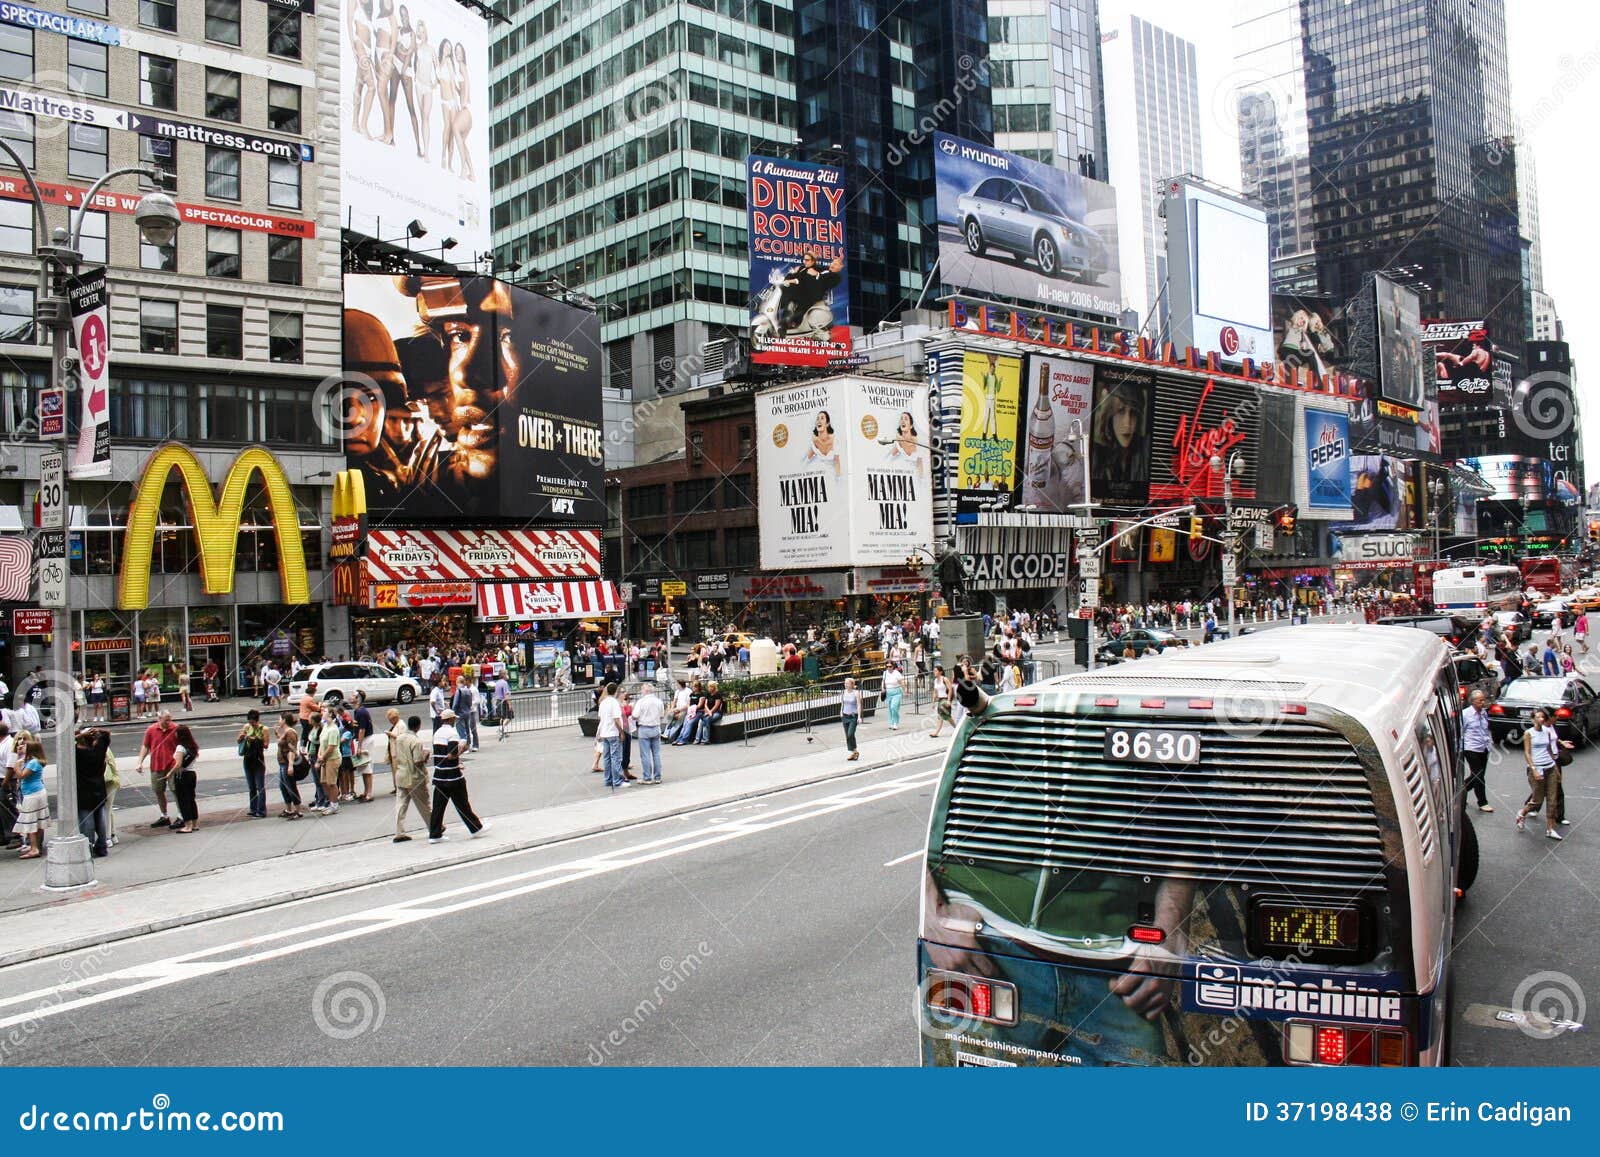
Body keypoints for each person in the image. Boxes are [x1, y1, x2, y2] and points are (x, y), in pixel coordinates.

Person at [428, 707, 484, 840]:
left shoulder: (437, 733)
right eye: (454, 718)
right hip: (453, 776)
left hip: (439, 775)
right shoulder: (453, 733)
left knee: (438, 806)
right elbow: (451, 755)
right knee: (462, 804)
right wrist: (462, 749)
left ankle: (434, 834)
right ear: (451, 719)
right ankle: (475, 828)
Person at [1516, 708, 1572, 840]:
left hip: (1550, 767)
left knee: (1552, 800)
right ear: (1533, 719)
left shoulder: (1547, 731)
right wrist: (1534, 769)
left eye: (1543, 717)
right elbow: (1527, 753)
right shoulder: (1528, 733)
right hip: (1537, 768)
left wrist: (1556, 768)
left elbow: (1549, 749)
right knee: (1537, 800)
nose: (1541, 719)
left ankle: (1550, 829)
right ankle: (1522, 813)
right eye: (1538, 717)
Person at [135, 710, 180, 828]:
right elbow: (145, 746)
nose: (169, 722)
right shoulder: (151, 730)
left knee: (176, 790)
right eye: (166, 720)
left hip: (173, 765)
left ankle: (181, 816)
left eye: (170, 719)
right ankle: (164, 816)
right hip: (157, 765)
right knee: (158, 791)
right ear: (159, 719)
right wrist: (140, 762)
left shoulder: (176, 728)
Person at [392, 715, 431, 842]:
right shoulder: (416, 741)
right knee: (424, 804)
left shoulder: (399, 738)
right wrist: (425, 756)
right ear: (418, 726)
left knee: (401, 804)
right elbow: (418, 761)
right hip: (414, 776)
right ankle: (434, 826)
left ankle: (399, 831)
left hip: (401, 773)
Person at [75, 728, 111, 858]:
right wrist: (97, 730)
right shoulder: (99, 751)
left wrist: (81, 735)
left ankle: (88, 846)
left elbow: (68, 744)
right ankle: (102, 846)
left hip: (83, 790)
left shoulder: (77, 753)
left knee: (86, 821)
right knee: (100, 818)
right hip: (99, 788)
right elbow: (106, 734)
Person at [1460, 690, 1495, 813]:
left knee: (1478, 775)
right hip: (1471, 748)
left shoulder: (1484, 713)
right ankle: (1482, 802)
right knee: (1478, 775)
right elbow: (1461, 731)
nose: (1483, 702)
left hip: (1483, 747)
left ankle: (1460, 792)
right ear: (1473, 701)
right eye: (1480, 700)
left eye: (1483, 700)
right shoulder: (1465, 714)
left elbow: (1485, 729)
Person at [14, 737, 48, 859]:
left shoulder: (33, 762)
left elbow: (21, 775)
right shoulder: (32, 761)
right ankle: (36, 846)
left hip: (33, 794)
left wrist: (16, 765)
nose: (23, 748)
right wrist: (20, 756)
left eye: (25, 747)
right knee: (37, 821)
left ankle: (34, 848)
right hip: (35, 792)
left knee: (30, 821)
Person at [170, 721, 201, 834]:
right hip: (192, 774)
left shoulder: (180, 747)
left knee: (183, 800)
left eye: (176, 733)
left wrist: (169, 774)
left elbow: (178, 764)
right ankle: (195, 824)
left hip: (182, 775)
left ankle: (187, 825)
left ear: (179, 735)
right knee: (191, 799)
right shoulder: (192, 746)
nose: (175, 735)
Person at [237, 710, 269, 819]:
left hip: (258, 758)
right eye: (250, 722)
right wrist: (241, 737)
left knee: (260, 786)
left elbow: (266, 745)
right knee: (251, 786)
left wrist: (254, 739)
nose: (252, 724)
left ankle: (261, 810)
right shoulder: (246, 727)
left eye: (253, 722)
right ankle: (253, 808)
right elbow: (238, 741)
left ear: (257, 720)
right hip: (248, 758)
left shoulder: (263, 729)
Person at [632, 682, 665, 785]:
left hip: (644, 728)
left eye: (641, 690)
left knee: (645, 755)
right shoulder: (659, 701)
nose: (641, 692)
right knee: (656, 754)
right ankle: (657, 777)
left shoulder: (641, 702)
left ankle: (647, 777)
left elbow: (635, 715)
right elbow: (661, 715)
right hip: (655, 728)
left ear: (645, 691)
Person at [596, 682, 626, 789]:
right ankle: (617, 780)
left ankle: (608, 779)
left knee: (607, 757)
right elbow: (616, 718)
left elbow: (600, 718)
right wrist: (621, 732)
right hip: (613, 732)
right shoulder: (614, 703)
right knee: (616, 757)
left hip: (604, 732)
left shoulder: (603, 703)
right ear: (616, 692)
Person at [313, 707, 342, 815]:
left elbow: (332, 747)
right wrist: (319, 756)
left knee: (331, 783)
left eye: (324, 711)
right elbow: (321, 743)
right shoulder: (325, 726)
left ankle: (334, 805)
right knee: (324, 782)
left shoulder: (334, 729)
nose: (322, 713)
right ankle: (331, 802)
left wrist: (322, 757)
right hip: (324, 759)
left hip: (332, 759)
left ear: (330, 714)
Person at [276, 711, 304, 820]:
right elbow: (284, 744)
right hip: (283, 763)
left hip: (287, 763)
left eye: (280, 718)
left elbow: (292, 750)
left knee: (290, 786)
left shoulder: (290, 732)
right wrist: (278, 734)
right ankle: (289, 809)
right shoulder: (286, 732)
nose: (279, 720)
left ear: (284, 720)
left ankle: (298, 810)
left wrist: (290, 766)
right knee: (283, 786)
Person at [352, 691, 377, 802]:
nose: (350, 697)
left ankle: (369, 793)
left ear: (358, 698)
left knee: (367, 767)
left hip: (365, 740)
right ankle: (366, 791)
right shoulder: (358, 711)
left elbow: (362, 730)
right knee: (363, 767)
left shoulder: (361, 712)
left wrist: (359, 747)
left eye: (353, 695)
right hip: (362, 740)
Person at [840, 677, 861, 761]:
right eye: (845, 683)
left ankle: (854, 751)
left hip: (853, 716)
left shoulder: (856, 693)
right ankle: (854, 752)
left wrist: (859, 717)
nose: (845, 685)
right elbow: (842, 703)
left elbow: (859, 705)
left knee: (850, 734)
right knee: (847, 736)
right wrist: (841, 712)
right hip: (845, 716)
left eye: (847, 683)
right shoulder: (843, 692)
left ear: (852, 684)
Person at [929, 666, 952, 738]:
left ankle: (936, 732)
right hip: (940, 700)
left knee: (942, 716)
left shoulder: (945, 679)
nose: (934, 672)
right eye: (934, 671)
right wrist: (933, 702)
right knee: (946, 717)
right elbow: (935, 692)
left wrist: (948, 700)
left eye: (936, 671)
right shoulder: (935, 680)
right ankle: (957, 728)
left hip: (945, 699)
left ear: (940, 672)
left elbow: (950, 689)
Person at [883, 662, 905, 729]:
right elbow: (883, 681)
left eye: (890, 666)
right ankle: (892, 723)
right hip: (888, 692)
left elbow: (902, 682)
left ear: (893, 667)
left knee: (894, 707)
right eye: (887, 666)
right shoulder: (885, 673)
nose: (888, 668)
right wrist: (882, 689)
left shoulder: (896, 673)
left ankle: (895, 723)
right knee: (890, 709)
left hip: (897, 692)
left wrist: (905, 691)